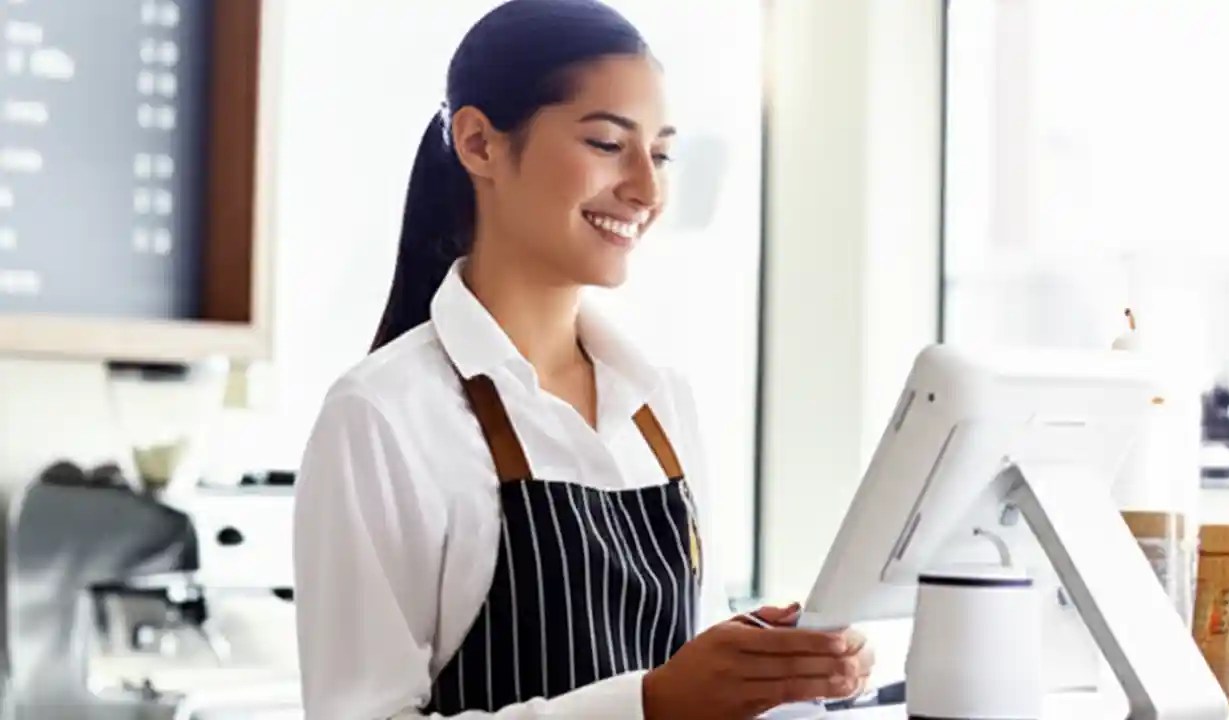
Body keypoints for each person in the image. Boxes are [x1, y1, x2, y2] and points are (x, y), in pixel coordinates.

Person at [292, 1, 874, 718]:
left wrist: (783, 675)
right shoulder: (382, 416)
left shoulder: (663, 404)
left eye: (660, 154)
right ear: (478, 144)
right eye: (606, 144)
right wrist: (650, 704)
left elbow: (696, 682)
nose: (648, 189)